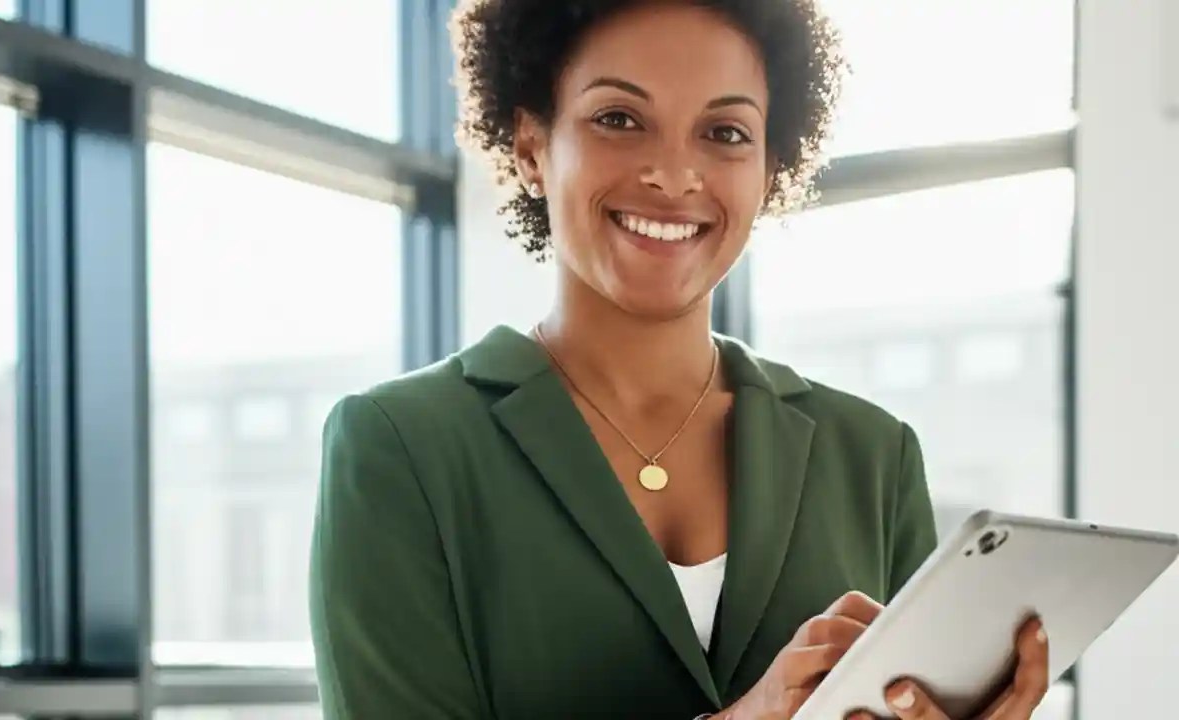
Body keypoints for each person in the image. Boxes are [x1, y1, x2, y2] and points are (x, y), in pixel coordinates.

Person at [309, 1, 1051, 718]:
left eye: (725, 132)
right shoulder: (397, 447)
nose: (673, 174)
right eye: (619, 119)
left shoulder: (873, 455)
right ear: (532, 145)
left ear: (770, 169)